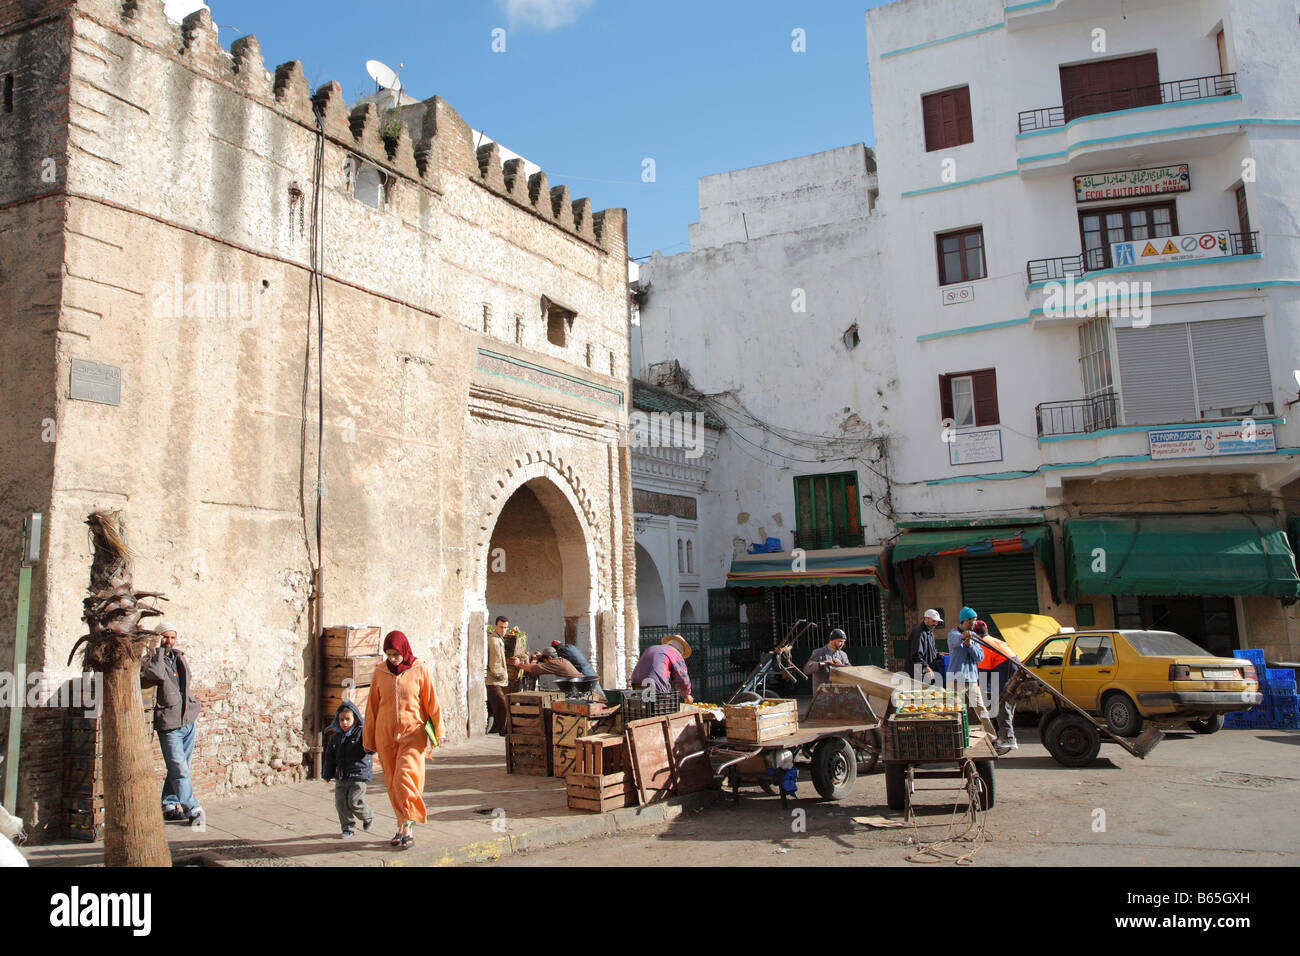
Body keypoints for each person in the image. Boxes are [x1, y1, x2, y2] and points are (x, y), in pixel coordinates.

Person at [363, 630, 442, 851]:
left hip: (413, 733)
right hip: (385, 734)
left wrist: (437, 730)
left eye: (396, 653)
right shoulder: (380, 671)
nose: (393, 658)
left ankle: (408, 827)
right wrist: (368, 738)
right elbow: (372, 706)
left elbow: (431, 701)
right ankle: (402, 825)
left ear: (404, 649)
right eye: (388, 654)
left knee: (405, 778)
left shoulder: (419, 669)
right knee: (391, 782)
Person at [140, 622, 204, 826]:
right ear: (158, 638)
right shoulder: (150, 660)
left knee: (180, 767)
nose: (169, 641)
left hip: (187, 721)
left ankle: (169, 804)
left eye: (172, 637)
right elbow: (155, 674)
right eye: (165, 637)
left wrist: (194, 705)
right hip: (169, 724)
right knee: (179, 769)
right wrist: (155, 649)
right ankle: (192, 808)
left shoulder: (178, 657)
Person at [322, 701, 374, 838]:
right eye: (341, 720)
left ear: (355, 719)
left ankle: (367, 815)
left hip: (358, 775)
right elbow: (330, 757)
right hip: (342, 776)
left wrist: (370, 748)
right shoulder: (336, 737)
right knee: (341, 803)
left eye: (347, 719)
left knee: (354, 801)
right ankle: (347, 827)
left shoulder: (361, 733)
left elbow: (371, 746)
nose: (344, 723)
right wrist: (327, 773)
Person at [971, 619, 1020, 755]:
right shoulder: (994, 640)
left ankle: (1008, 738)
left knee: (1000, 705)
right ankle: (1006, 735)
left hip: (1006, 670)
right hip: (1014, 669)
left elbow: (984, 672)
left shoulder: (983, 644)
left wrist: (978, 689)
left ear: (974, 634)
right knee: (1007, 704)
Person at [629, 635, 694, 703]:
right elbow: (681, 676)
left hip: (636, 683)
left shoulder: (652, 648)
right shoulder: (675, 653)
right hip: (655, 685)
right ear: (680, 651)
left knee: (645, 706)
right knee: (658, 706)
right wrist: (686, 694)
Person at [947, 606, 985, 708]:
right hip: (955, 681)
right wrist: (963, 637)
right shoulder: (952, 634)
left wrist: (970, 645)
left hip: (972, 680)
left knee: (981, 710)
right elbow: (954, 641)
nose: (975, 623)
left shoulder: (974, 636)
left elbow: (980, 657)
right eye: (974, 620)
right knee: (955, 710)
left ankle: (986, 725)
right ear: (967, 620)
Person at [805, 628, 850, 695]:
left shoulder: (843, 655)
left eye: (843, 642)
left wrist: (841, 666)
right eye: (840, 641)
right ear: (832, 640)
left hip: (839, 694)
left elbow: (850, 670)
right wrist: (821, 664)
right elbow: (807, 669)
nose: (842, 644)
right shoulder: (818, 653)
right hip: (822, 695)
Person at [906, 610, 944, 684]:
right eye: (934, 621)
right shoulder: (919, 633)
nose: (936, 624)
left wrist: (938, 655)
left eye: (937, 622)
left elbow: (931, 651)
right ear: (926, 619)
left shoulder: (930, 632)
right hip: (918, 674)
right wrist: (926, 667)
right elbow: (915, 655)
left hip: (927, 673)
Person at [486, 616, 510, 736]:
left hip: (497, 680)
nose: (503, 630)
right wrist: (502, 675)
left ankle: (495, 728)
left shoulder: (498, 639)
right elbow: (494, 664)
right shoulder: (494, 641)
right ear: (496, 626)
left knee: (495, 707)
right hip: (493, 680)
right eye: (501, 627)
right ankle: (502, 731)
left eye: (505, 627)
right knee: (502, 706)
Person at [512, 645, 581, 686]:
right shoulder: (561, 660)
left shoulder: (554, 663)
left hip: (576, 685)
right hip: (579, 682)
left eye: (545, 660)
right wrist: (540, 656)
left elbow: (534, 669)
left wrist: (519, 664)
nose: (546, 663)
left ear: (550, 658)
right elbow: (541, 663)